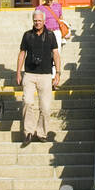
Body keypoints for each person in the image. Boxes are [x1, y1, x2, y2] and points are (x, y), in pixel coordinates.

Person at [16, 9, 61, 144]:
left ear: (44, 21)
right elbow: (22, 53)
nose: (37, 23)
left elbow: (56, 54)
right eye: (35, 21)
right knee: (28, 102)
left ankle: (42, 132)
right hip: (29, 74)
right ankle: (28, 132)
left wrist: (57, 73)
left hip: (46, 75)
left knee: (45, 107)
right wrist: (18, 72)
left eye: (39, 21)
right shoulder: (27, 35)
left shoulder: (50, 35)